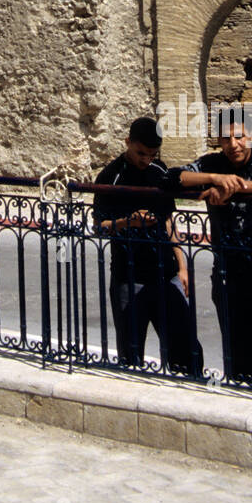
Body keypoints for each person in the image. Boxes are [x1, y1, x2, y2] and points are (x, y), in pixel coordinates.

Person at [167, 117, 252, 389]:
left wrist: (234, 189)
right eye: (226, 139)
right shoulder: (212, 164)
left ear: (251, 136)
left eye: (238, 137)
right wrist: (215, 179)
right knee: (240, 365)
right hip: (230, 279)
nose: (233, 144)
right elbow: (172, 178)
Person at [93, 117, 203, 376]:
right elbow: (99, 226)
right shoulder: (111, 176)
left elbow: (168, 221)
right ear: (128, 142)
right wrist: (128, 222)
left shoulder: (159, 171)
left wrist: (183, 266)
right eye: (141, 153)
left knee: (186, 350)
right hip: (128, 278)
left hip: (166, 274)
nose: (146, 160)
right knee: (131, 355)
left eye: (152, 154)